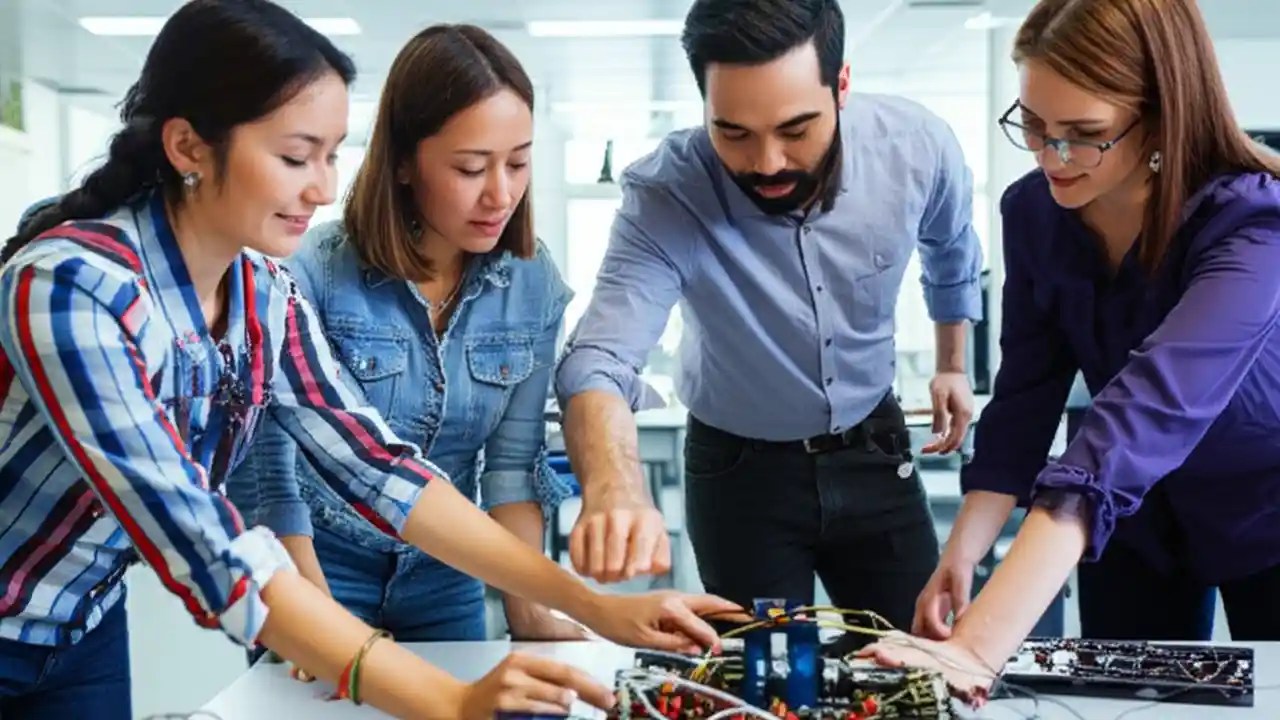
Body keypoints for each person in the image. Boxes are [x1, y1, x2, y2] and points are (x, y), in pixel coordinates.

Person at [0, 3, 739, 719]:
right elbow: (206, 546)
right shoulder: (71, 288)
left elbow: (378, 468)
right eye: (295, 157)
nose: (321, 188)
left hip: (79, 621)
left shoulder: (261, 294)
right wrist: (447, 700)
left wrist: (592, 607)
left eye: (330, 155)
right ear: (189, 147)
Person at [869, 0, 1280, 696]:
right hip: (1131, 528)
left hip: (1264, 514)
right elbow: (1026, 394)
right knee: (1127, 705)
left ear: (1160, 116)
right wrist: (964, 554)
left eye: (1084, 134)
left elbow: (1144, 412)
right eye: (1034, 127)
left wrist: (977, 648)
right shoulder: (1034, 212)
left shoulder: (1254, 222)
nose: (1052, 157)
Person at [554, 0, 984, 634]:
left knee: (921, 656)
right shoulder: (669, 194)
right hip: (739, 475)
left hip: (874, 447)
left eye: (796, 129)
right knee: (763, 678)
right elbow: (600, 357)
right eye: (733, 132)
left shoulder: (915, 147)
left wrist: (953, 363)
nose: (767, 163)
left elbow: (951, 249)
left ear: (841, 86)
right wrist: (615, 485)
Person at [226, 23, 585, 653]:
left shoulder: (532, 282)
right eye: (471, 168)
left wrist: (529, 613)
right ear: (401, 162)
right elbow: (270, 477)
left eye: (519, 163)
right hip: (319, 569)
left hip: (449, 575)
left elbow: (512, 468)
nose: (500, 194)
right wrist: (316, 620)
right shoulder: (309, 273)